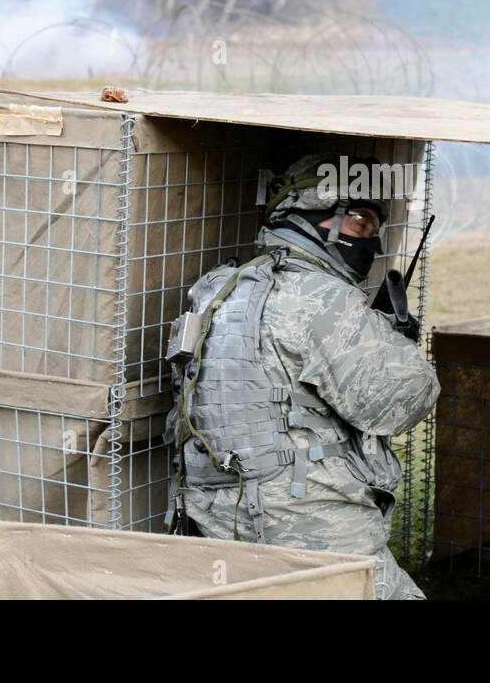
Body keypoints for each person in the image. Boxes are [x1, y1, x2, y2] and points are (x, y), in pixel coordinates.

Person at [164, 153, 439, 599]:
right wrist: (398, 343)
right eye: (359, 223)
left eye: (373, 229)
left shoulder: (219, 285)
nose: (368, 241)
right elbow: (399, 405)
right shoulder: (323, 297)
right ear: (314, 218)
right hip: (311, 527)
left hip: (217, 519)